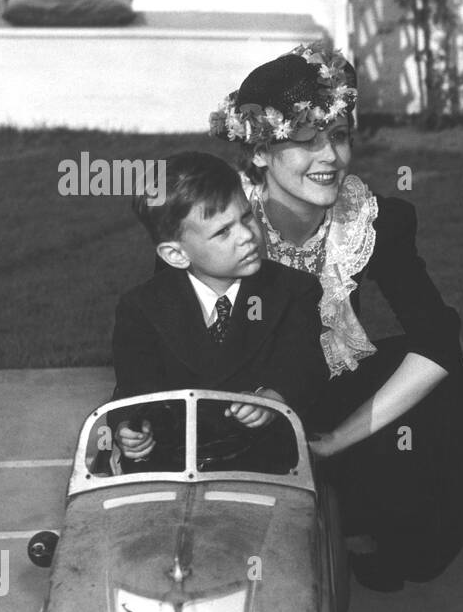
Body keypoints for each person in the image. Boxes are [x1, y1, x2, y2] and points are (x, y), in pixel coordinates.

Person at [209, 42, 463, 588]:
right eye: (306, 141)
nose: (330, 158)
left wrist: (338, 439)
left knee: (435, 385)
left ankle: (391, 537)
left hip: (328, 394)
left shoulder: (369, 219)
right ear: (259, 153)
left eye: (339, 137)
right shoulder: (220, 219)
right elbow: (172, 328)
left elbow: (437, 338)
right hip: (243, 398)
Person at [111, 150, 329, 463]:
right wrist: (129, 429)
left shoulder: (291, 291)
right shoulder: (142, 308)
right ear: (176, 255)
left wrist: (275, 397)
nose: (246, 236)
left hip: (261, 461)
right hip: (172, 463)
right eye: (223, 231)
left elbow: (304, 367)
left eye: (246, 217)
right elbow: (134, 387)